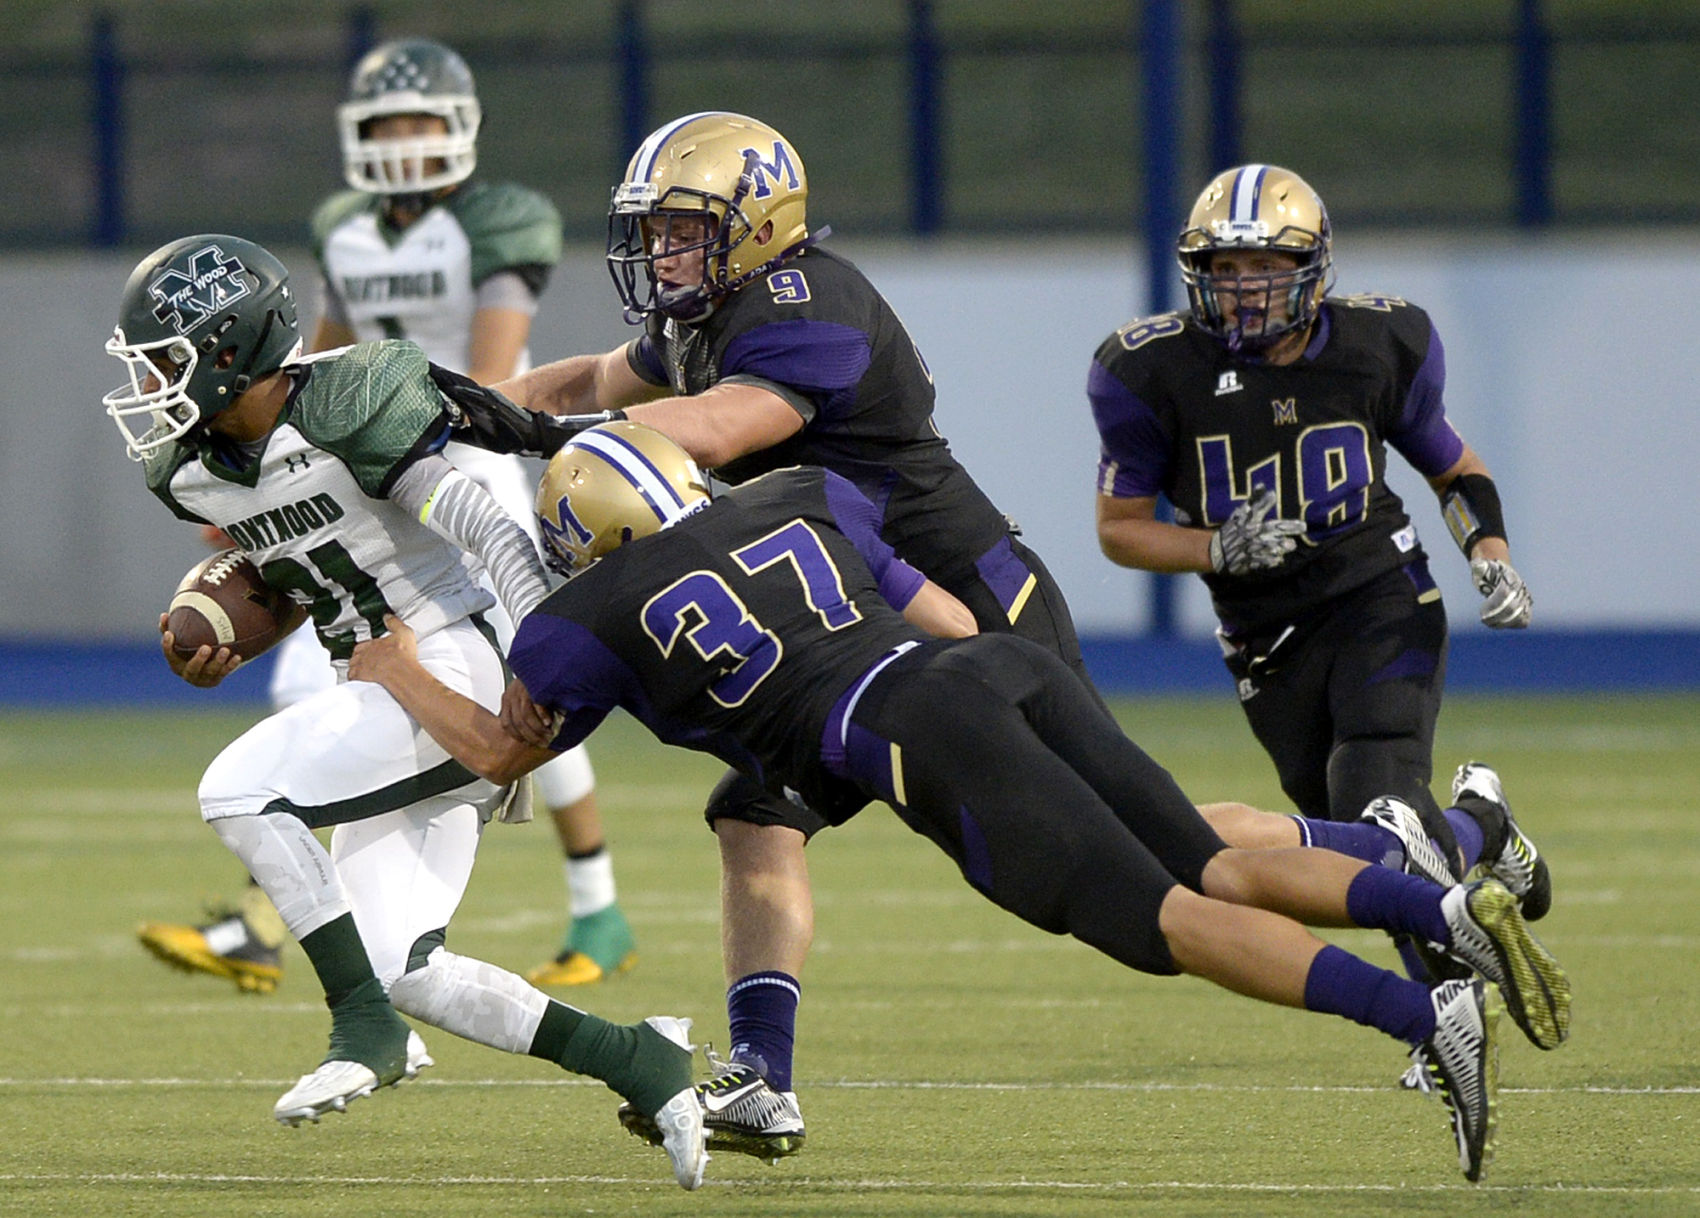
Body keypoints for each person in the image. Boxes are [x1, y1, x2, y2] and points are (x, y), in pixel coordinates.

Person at [348, 422, 1573, 1183]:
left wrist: (397, 667)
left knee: (1163, 930)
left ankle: (1425, 1016)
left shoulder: (580, 616)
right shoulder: (797, 497)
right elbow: (934, 616)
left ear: (587, 537)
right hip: (983, 669)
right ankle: (1442, 901)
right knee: (1205, 857)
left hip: (902, 731)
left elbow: (503, 754)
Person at [427, 110, 1107, 1160]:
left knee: (1121, 851)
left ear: (756, 225)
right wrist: (455, 413)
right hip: (845, 627)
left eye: (683, 229)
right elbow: (584, 384)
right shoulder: (704, 317)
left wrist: (546, 436)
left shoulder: (807, 299)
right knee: (753, 813)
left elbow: (716, 428)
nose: (661, 250)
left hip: (966, 609)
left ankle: (1378, 863)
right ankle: (762, 1081)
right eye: (652, 230)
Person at [103, 235, 708, 1190]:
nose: (147, 379)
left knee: (238, 789)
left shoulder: (343, 406)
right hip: (376, 687)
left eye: (164, 358)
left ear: (231, 350)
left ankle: (361, 1028)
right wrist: (228, 635)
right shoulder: (191, 468)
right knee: (402, 963)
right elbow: (301, 568)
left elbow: (484, 524)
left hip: (450, 661)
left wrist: (540, 655)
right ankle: (641, 1060)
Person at [134, 37, 635, 995]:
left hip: (449, 457)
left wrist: (381, 448)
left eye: (420, 122)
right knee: (315, 689)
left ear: (459, 129)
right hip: (356, 457)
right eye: (386, 125)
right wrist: (273, 472)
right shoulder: (343, 229)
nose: (403, 142)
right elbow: (310, 355)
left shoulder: (497, 221)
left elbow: (491, 366)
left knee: (528, 682)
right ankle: (266, 920)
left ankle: (596, 902)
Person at [1087, 164, 1551, 938]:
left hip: (1380, 594)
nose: (1245, 287)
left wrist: (1490, 553)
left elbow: (1455, 469)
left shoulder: (1378, 342)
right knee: (1352, 857)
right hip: (1266, 636)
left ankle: (1441, 1027)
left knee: (1385, 818)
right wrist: (1217, 547)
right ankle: (1483, 827)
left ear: (1311, 267)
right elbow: (1120, 528)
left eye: (1267, 266)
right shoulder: (1148, 370)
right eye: (1225, 269)